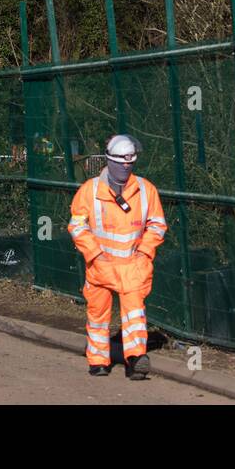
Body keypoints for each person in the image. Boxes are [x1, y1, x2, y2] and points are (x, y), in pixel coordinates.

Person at [68, 134, 167, 379]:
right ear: (109, 161)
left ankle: (135, 359)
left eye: (130, 162)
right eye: (121, 161)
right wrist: (95, 254)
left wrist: (144, 252)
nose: (126, 166)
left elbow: (157, 225)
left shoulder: (146, 190)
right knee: (98, 314)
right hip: (101, 266)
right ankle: (99, 361)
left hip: (133, 266)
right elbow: (78, 225)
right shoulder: (89, 191)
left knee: (134, 314)